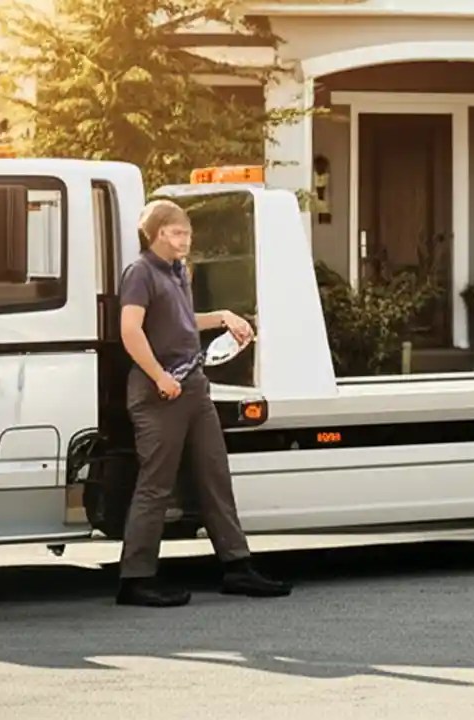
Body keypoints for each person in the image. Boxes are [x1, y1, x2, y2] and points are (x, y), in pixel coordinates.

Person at [116, 199, 292, 608]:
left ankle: (238, 567)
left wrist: (225, 317)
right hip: (160, 392)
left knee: (215, 476)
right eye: (179, 233)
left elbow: (182, 320)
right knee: (155, 485)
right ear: (159, 233)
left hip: (193, 388)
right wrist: (160, 376)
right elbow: (130, 330)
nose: (186, 240)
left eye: (187, 233)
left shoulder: (178, 273)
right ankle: (136, 579)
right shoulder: (141, 272)